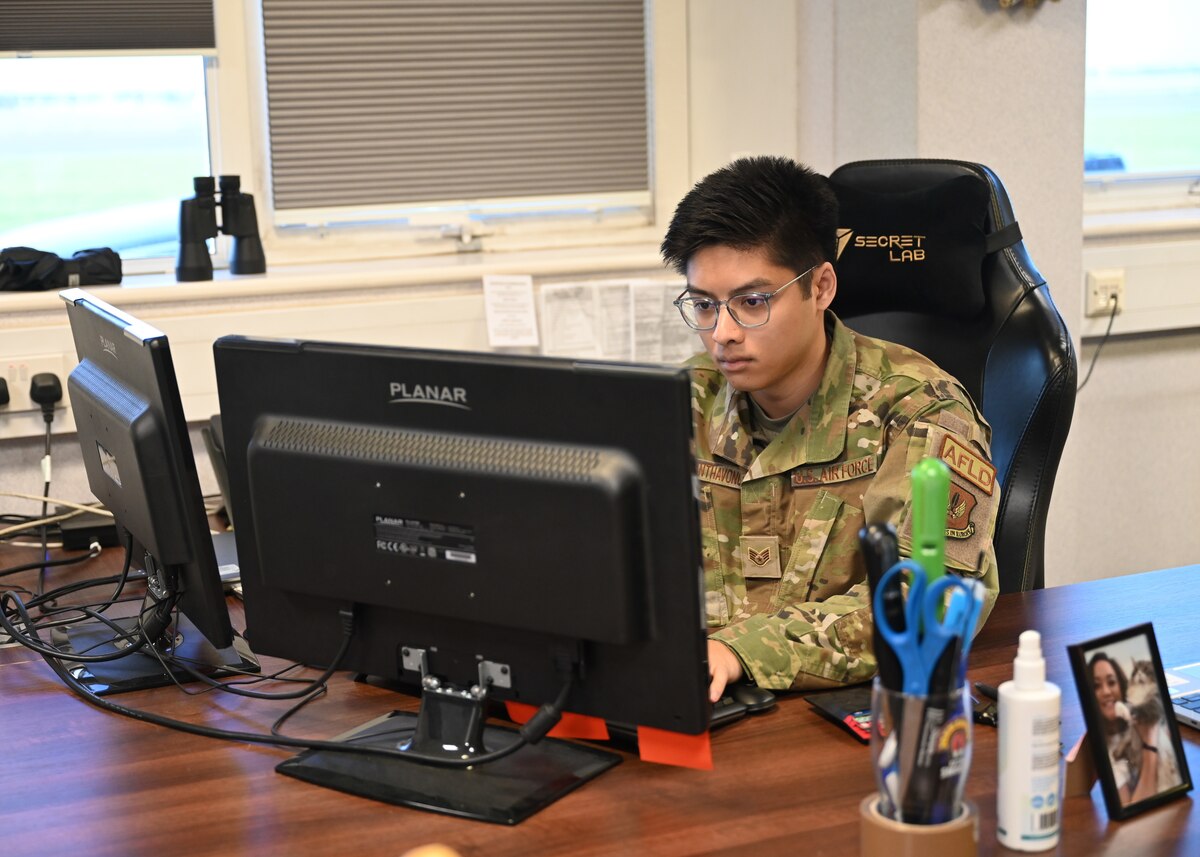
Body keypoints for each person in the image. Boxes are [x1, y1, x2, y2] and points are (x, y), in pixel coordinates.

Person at [660, 156, 1000, 701]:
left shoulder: (920, 411)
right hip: (700, 700)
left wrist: (744, 651)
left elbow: (930, 603)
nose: (722, 333)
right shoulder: (681, 402)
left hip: (856, 711)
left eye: (752, 302)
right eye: (703, 305)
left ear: (820, 287)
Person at [1089, 652, 1180, 805]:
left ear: (1121, 684)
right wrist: (1150, 743)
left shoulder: (1140, 709)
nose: (1106, 692)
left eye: (1111, 682)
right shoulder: (1105, 751)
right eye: (1096, 686)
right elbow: (1131, 807)